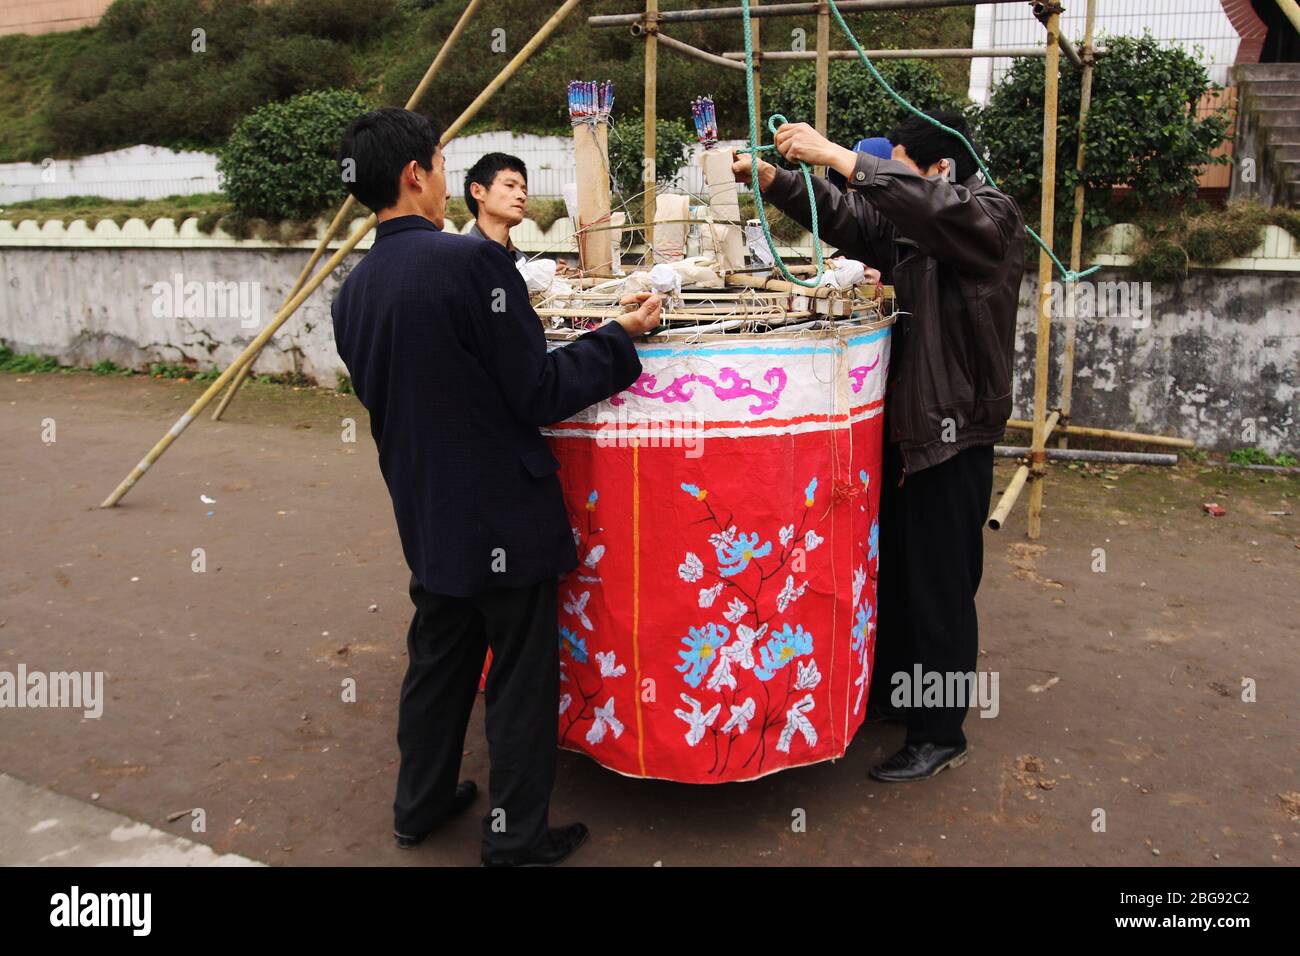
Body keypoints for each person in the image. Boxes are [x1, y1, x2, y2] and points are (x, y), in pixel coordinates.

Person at [331, 108, 662, 865]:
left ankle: (418, 805)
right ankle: (515, 839)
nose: (446, 181)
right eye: (443, 166)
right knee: (518, 676)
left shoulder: (353, 290)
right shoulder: (472, 265)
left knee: (438, 660)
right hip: (503, 512)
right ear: (416, 175)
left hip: (425, 507)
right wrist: (620, 338)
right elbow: (537, 390)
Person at [733, 111, 1024, 782]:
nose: (887, 181)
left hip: (953, 432)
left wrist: (836, 153)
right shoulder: (927, 222)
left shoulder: (989, 216)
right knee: (899, 575)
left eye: (899, 166)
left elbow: (922, 207)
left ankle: (940, 731)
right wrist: (781, 181)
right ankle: (900, 697)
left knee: (943, 588)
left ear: (940, 169)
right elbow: (859, 224)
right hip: (913, 429)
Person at [463, 152, 530, 265]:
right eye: (509, 185)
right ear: (477, 191)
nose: (522, 196)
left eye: (524, 190)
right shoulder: (459, 257)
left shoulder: (528, 265)